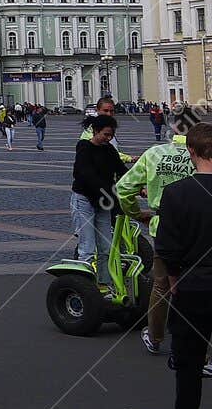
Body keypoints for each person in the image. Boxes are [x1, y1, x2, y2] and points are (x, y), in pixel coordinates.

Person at [152, 123, 212, 409]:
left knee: (189, 366)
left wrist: (175, 280)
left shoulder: (176, 193)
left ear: (191, 151)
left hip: (193, 287)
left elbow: (167, 248)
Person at [118, 125, 197, 356]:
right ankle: (201, 347)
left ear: (173, 128)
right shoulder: (203, 154)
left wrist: (136, 214)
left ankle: (155, 337)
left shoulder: (154, 153)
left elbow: (124, 188)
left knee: (161, 285)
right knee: (199, 282)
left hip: (163, 226)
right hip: (197, 226)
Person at [71, 114, 126, 268]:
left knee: (106, 246)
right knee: (87, 246)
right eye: (105, 134)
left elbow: (121, 170)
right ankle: (84, 279)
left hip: (104, 201)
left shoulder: (109, 150)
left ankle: (104, 280)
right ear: (96, 131)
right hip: (84, 199)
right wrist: (107, 189)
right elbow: (85, 174)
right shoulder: (84, 147)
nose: (108, 138)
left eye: (111, 135)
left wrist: (137, 186)